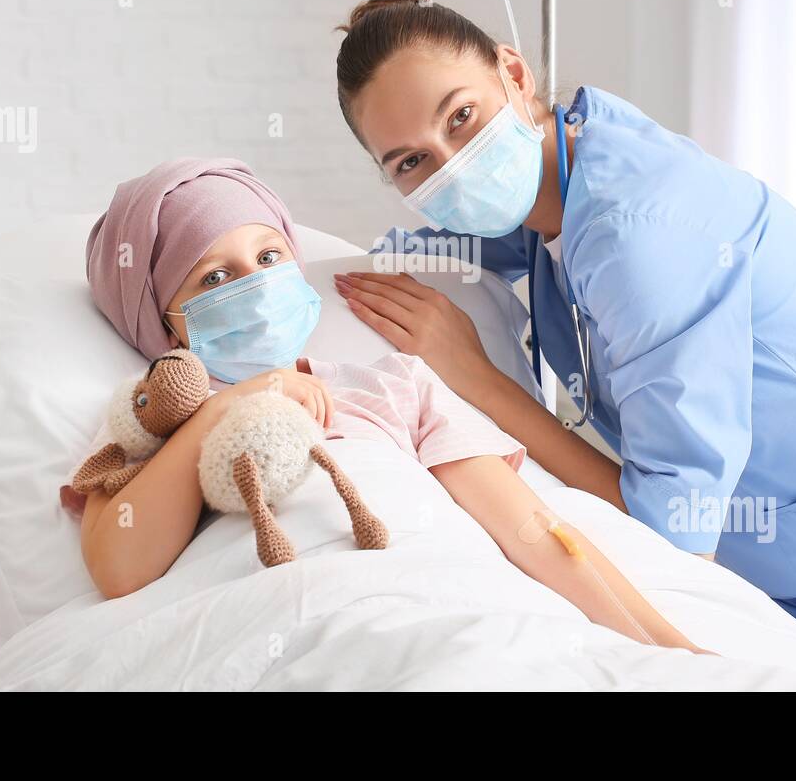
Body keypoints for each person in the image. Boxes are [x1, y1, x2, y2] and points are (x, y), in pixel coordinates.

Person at [329, 0, 796, 690]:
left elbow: (669, 531)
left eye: (460, 117)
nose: (452, 166)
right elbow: (426, 252)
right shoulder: (558, 185)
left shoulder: (643, 235)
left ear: (513, 72)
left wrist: (476, 380)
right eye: (412, 162)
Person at [59, 157, 711, 654]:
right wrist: (224, 411)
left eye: (268, 256)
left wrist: (672, 650)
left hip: (431, 612)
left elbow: (534, 533)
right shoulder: (157, 420)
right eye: (215, 278)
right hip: (284, 631)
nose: (256, 285)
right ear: (169, 326)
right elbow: (121, 568)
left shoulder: (397, 385)